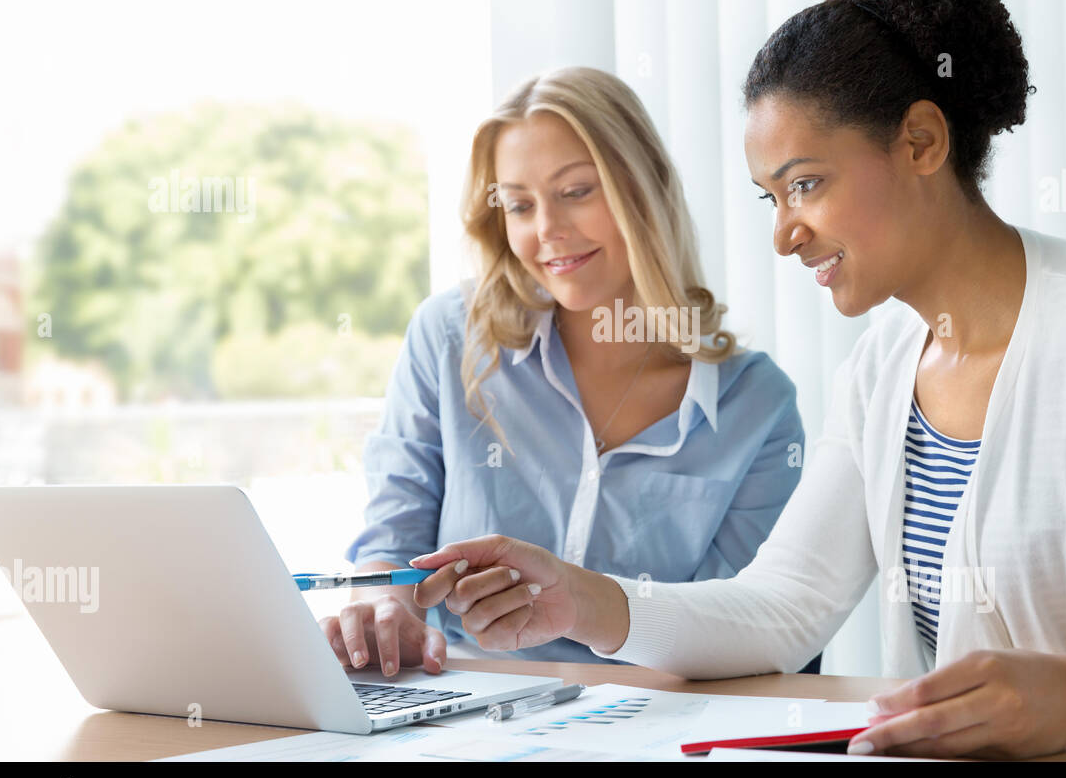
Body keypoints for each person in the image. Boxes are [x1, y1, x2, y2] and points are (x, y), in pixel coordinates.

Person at [405, 0, 1066, 758]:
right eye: (770, 198)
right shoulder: (886, 363)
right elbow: (781, 608)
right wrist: (585, 600)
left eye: (806, 184)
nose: (786, 235)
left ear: (921, 141)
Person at [320, 66, 804, 675]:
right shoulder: (450, 336)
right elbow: (393, 543)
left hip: (649, 724)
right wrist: (384, 612)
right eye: (520, 205)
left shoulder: (756, 408)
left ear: (644, 186)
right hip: (461, 703)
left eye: (577, 191)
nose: (547, 230)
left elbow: (738, 631)